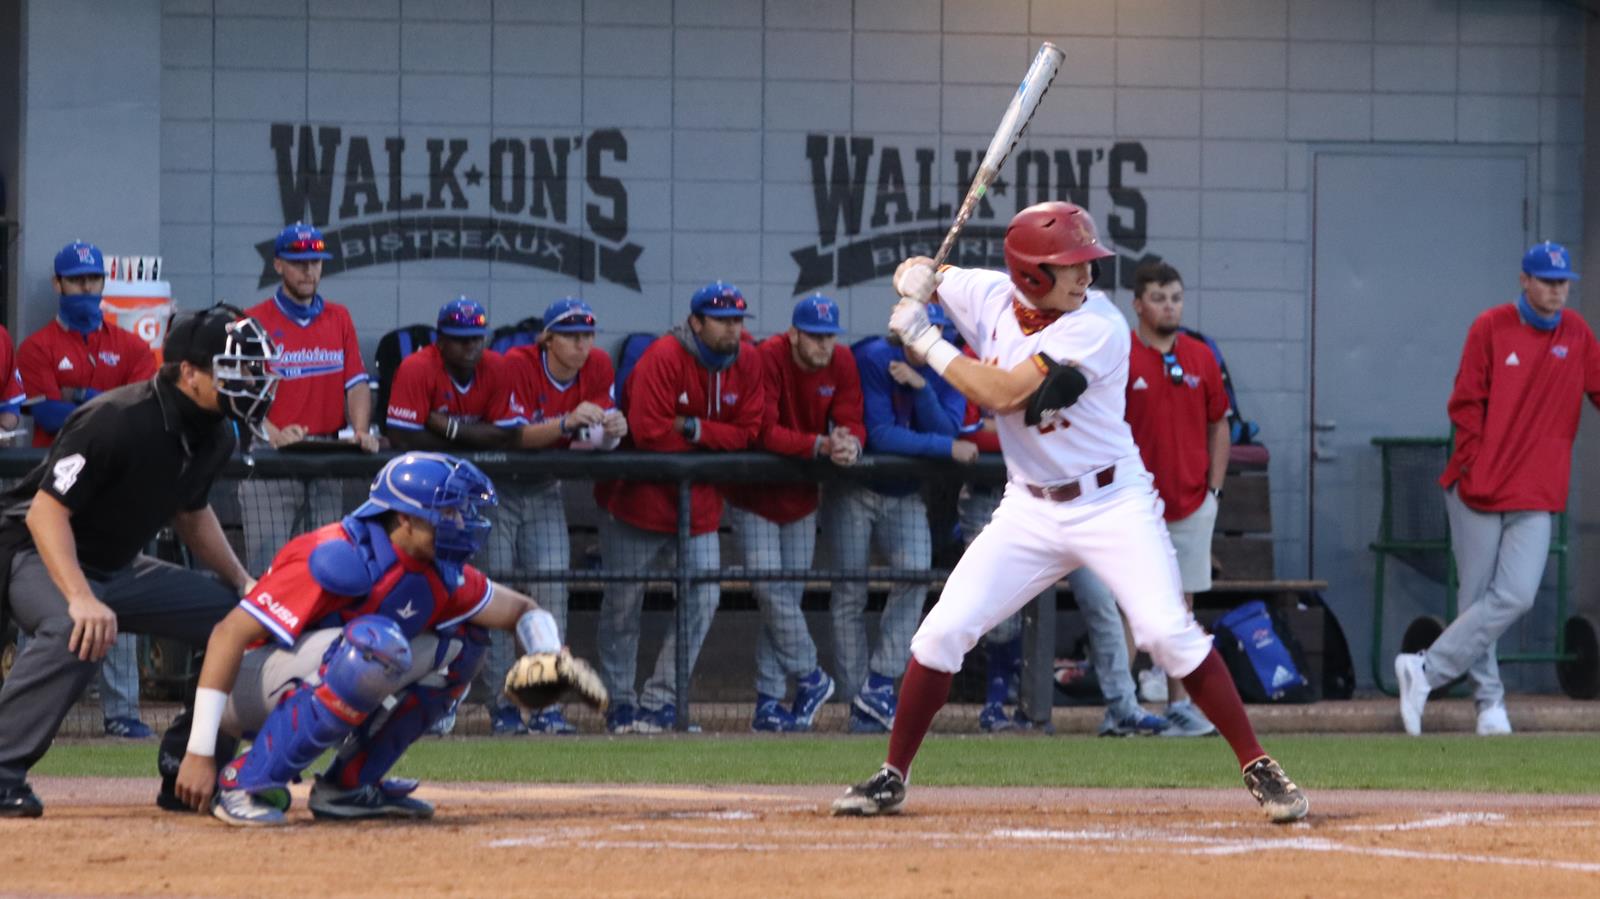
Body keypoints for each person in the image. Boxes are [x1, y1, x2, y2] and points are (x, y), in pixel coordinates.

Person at [831, 201, 1307, 823]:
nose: (1087, 274)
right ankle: (893, 775)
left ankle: (1258, 763)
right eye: (1071, 265)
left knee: (1166, 633)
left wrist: (925, 339)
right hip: (1029, 509)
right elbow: (922, 268)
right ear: (1031, 274)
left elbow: (1002, 393)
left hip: (1111, 502)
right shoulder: (987, 294)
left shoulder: (1098, 324)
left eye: (1087, 262)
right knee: (942, 633)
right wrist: (916, 278)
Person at [171, 452, 575, 825]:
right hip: (244, 686)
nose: (460, 522)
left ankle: (348, 786)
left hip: (319, 670)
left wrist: (548, 655)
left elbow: (522, 609)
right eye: (447, 512)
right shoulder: (333, 554)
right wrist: (199, 752)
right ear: (406, 518)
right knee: (373, 646)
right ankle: (245, 782)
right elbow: (228, 634)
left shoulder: (437, 569)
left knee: (463, 643)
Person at [0, 304, 279, 818]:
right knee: (75, 627)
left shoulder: (217, 431)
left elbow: (191, 513)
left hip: (117, 566)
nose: (250, 381)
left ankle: (189, 768)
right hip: (33, 551)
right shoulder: (118, 418)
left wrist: (243, 581)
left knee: (240, 620)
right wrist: (81, 598)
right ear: (188, 373)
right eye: (234, 369)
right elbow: (45, 514)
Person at [1396, 241, 1599, 737]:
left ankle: (1424, 670)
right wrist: (1472, 463)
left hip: (1537, 491)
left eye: (1564, 282)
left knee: (1515, 596)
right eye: (1548, 281)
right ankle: (1489, 705)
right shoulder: (1490, 326)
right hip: (1480, 489)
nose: (1558, 291)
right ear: (1524, 281)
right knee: (1475, 600)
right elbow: (1465, 402)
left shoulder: (1578, 333)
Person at [595, 281, 763, 734]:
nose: (732, 329)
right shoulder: (664, 356)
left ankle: (662, 701)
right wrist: (714, 440)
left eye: (737, 320)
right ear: (696, 322)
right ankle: (619, 703)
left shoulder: (748, 361)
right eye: (722, 321)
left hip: (700, 508)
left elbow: (749, 432)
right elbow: (649, 433)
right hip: (639, 503)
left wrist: (691, 427)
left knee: (704, 597)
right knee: (622, 608)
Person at [17, 241, 162, 740]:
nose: (86, 288)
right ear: (57, 284)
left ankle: (122, 711)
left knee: (114, 593)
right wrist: (106, 400)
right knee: (42, 600)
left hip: (114, 491)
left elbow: (141, 409)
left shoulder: (133, 347)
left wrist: (78, 397)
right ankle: (31, 711)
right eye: (77, 280)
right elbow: (47, 414)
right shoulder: (37, 347)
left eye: (93, 279)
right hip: (53, 491)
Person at [957, 400, 1166, 737]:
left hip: (1073, 507)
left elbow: (1078, 433)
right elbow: (968, 433)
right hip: (1010, 506)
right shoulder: (986, 373)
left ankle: (1123, 708)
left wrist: (1018, 432)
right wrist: (1029, 433)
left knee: (1101, 602)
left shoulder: (1060, 371)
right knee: (995, 612)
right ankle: (997, 702)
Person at [824, 303, 973, 734]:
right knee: (849, 592)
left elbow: (949, 428)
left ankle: (878, 685)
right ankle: (856, 697)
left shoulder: (950, 366)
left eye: (936, 331)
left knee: (915, 574)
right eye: (921, 330)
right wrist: (944, 449)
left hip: (905, 494)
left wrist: (922, 389)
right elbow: (881, 434)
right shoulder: (875, 357)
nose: (928, 339)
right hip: (855, 489)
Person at [724, 294, 863, 732]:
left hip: (802, 500)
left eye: (829, 336)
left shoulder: (841, 361)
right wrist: (819, 445)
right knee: (772, 592)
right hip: (755, 497)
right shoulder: (767, 357)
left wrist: (850, 443)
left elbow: (852, 418)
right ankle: (810, 675)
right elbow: (762, 431)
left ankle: (769, 704)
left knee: (783, 601)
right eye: (815, 336)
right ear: (794, 334)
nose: (824, 344)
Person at [491, 297, 626, 736]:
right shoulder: (516, 364)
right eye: (571, 336)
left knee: (552, 594)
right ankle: (502, 706)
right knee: (496, 598)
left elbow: (598, 437)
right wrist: (566, 423)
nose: (582, 345)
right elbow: (512, 437)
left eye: (587, 335)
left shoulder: (598, 365)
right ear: (547, 339)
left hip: (546, 488)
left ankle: (546, 706)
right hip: (497, 488)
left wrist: (613, 433)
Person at [1121, 259, 1228, 738]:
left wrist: (1214, 491)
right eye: (1159, 298)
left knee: (1181, 609)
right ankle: (1122, 704)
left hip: (1191, 502)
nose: (1169, 307)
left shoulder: (1201, 356)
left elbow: (1218, 423)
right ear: (1138, 304)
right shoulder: (1121, 355)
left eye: (1176, 298)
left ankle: (1180, 704)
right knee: (1127, 605)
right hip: (1134, 504)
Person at [240, 223, 379, 577]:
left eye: (315, 262)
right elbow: (241, 393)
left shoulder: (339, 316)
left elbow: (356, 383)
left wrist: (360, 430)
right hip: (272, 461)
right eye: (298, 262)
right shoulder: (252, 320)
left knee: (324, 571)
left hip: (326, 459)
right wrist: (273, 434)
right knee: (269, 573)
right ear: (278, 265)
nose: (308, 270)